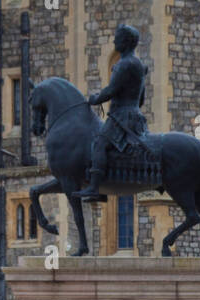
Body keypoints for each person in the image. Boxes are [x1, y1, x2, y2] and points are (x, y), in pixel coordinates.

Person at [76, 23, 149, 202]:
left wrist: (95, 99)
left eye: (117, 37)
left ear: (125, 41)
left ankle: (95, 189)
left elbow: (110, 90)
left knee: (100, 144)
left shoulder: (124, 64)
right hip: (134, 114)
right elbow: (141, 99)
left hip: (122, 117)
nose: (114, 40)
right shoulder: (138, 64)